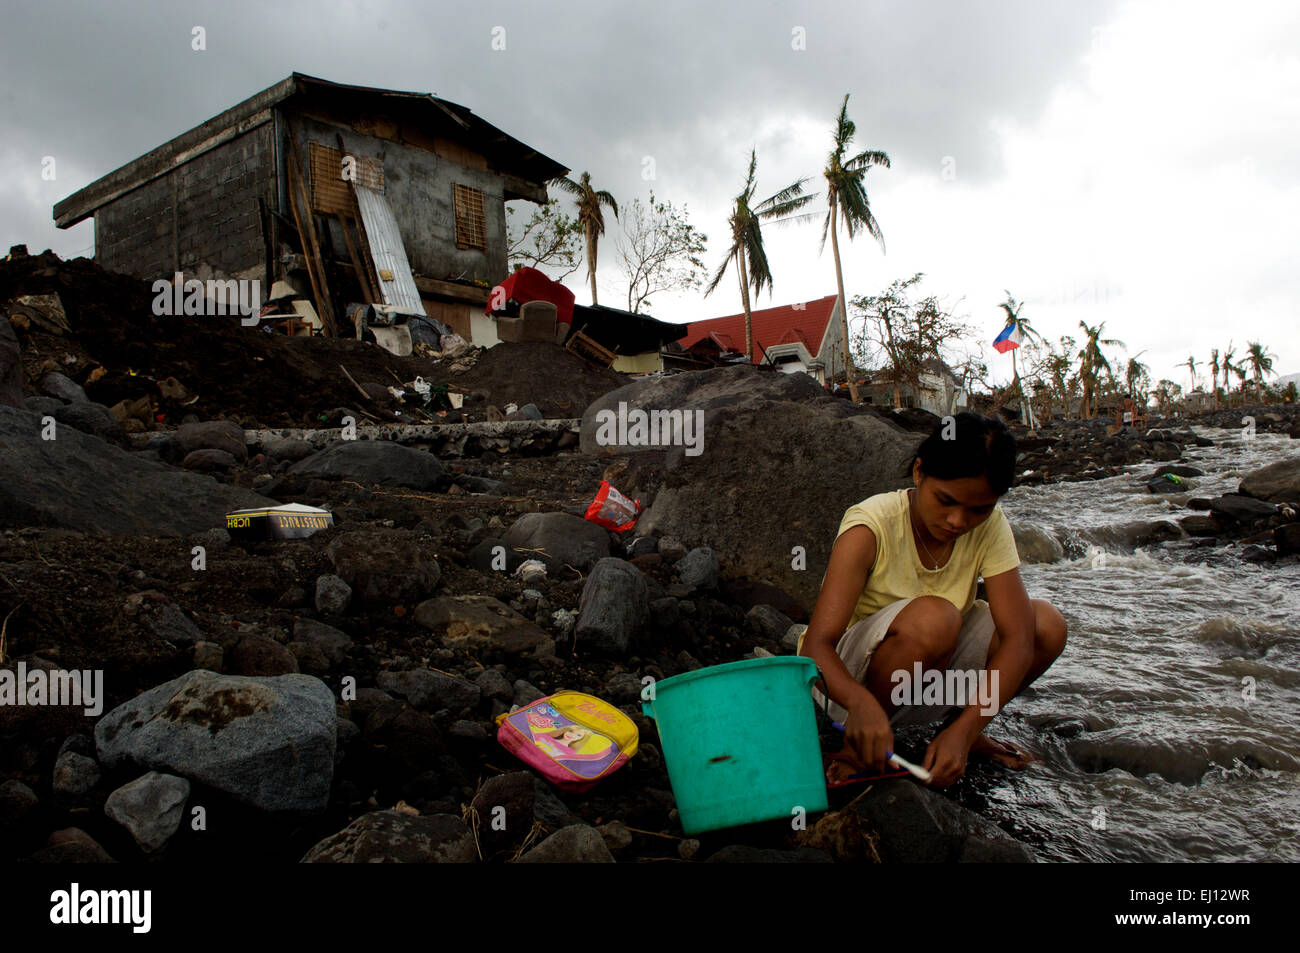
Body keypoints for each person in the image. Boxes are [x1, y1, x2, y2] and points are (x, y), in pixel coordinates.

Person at [798, 412, 1067, 788]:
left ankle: (956, 735)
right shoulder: (871, 524)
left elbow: (1021, 641)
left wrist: (968, 729)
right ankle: (857, 747)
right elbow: (815, 648)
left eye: (979, 509)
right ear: (919, 472)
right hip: (845, 683)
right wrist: (859, 703)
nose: (958, 521)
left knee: (1045, 625)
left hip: (930, 678)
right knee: (936, 616)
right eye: (946, 501)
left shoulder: (990, 527)